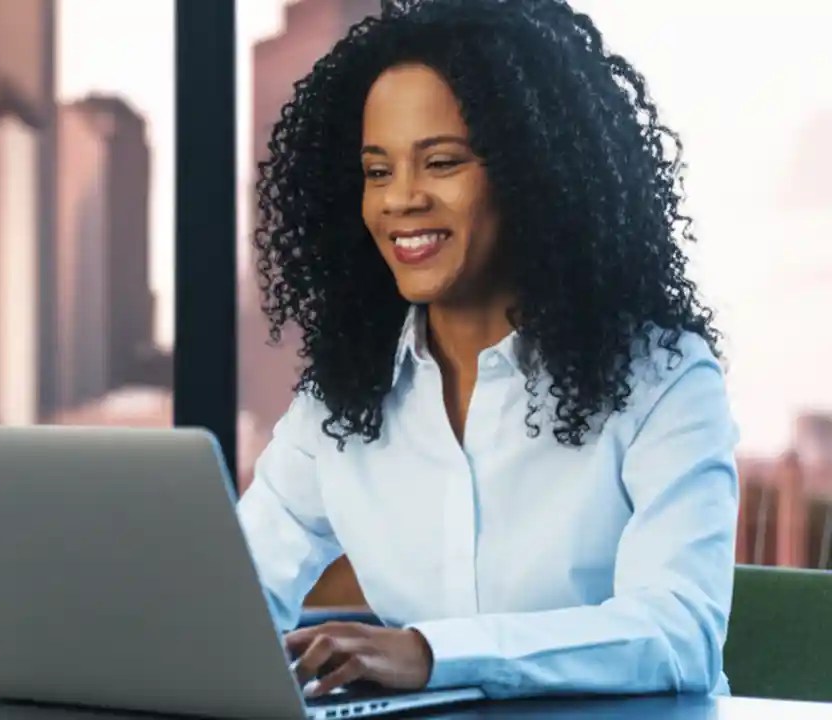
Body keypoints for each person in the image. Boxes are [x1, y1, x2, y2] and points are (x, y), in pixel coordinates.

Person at [237, 0, 740, 701]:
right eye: (377, 171)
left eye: (440, 162)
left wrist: (431, 652)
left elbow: (678, 631)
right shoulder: (342, 399)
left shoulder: (663, 377)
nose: (400, 200)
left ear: (535, 174)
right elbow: (236, 595)